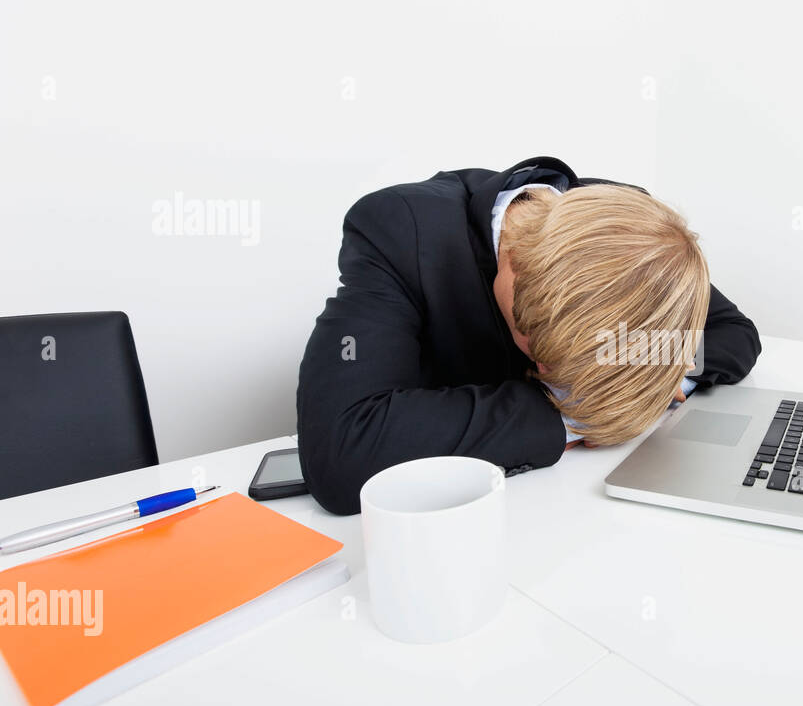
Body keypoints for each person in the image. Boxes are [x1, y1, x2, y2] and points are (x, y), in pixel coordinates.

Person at [296, 155, 761, 515]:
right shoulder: (398, 227)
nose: (556, 370)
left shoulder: (628, 229)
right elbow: (343, 450)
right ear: (514, 264)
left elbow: (734, 334)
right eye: (545, 355)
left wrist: (639, 377)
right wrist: (574, 413)